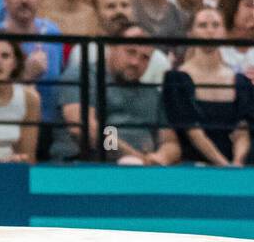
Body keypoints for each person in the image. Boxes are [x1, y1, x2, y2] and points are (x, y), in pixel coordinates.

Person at [56, 25, 181, 163]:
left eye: (145, 57)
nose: (135, 62)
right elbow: (82, 128)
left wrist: (160, 157)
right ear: (113, 48)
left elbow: (171, 143)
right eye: (130, 52)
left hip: (142, 172)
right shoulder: (83, 75)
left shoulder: (151, 93)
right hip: (88, 166)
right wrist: (134, 157)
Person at [162, 5, 254, 165]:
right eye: (202, 25)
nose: (210, 30)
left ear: (224, 32)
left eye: (216, 25)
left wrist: (237, 162)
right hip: (192, 164)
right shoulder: (176, 79)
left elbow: (243, 131)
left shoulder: (241, 81)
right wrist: (222, 166)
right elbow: (192, 131)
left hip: (233, 166)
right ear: (190, 33)